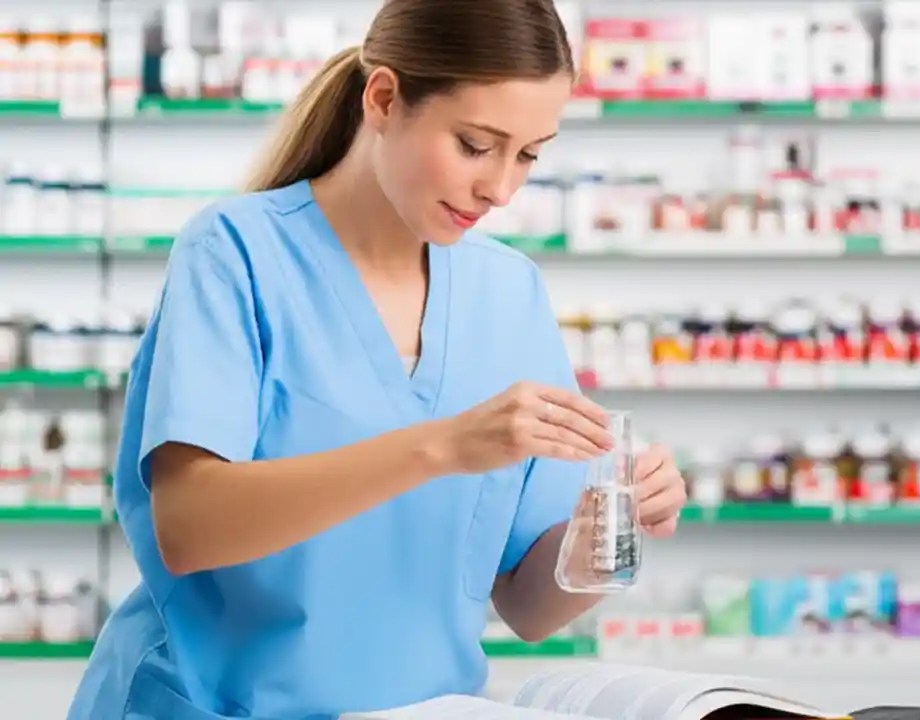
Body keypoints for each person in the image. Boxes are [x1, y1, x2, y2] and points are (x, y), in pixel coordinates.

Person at [68, 1, 688, 717]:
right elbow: (189, 527)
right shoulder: (236, 252)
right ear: (385, 99)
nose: (502, 188)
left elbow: (528, 606)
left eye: (528, 154)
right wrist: (440, 447)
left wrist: (605, 537)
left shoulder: (508, 291)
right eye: (475, 144)